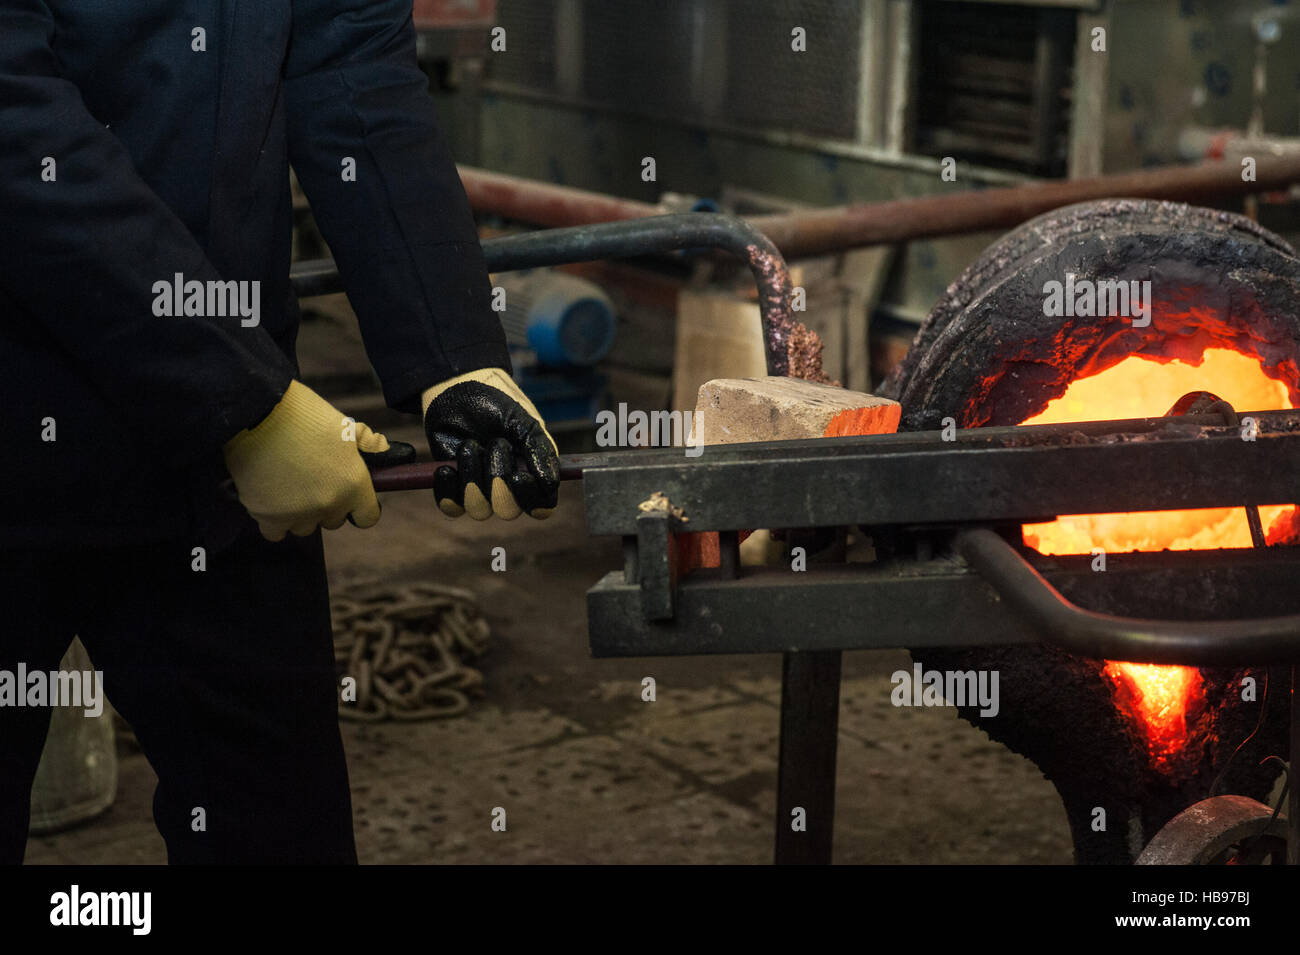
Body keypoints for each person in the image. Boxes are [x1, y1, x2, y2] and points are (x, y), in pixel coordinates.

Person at [0, 0, 559, 864]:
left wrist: (451, 352)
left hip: (215, 467)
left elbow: (351, 63)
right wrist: (236, 399)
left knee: (276, 830)